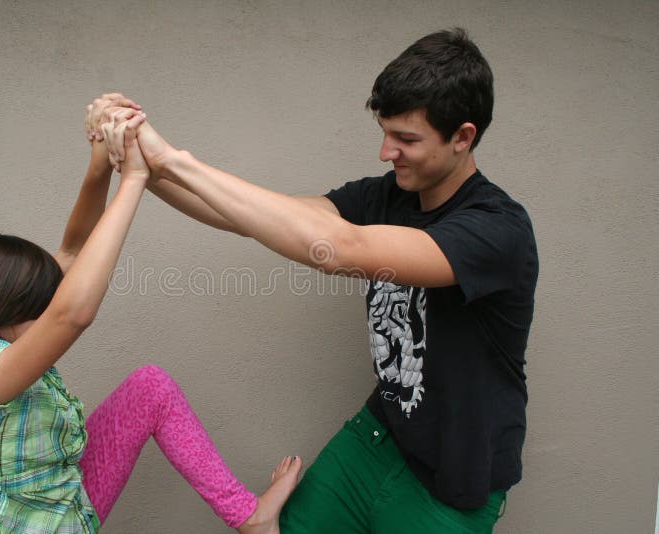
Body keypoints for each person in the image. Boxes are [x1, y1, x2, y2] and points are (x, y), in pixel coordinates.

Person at [95, 27, 538, 533]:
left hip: (456, 482)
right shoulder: (385, 197)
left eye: (406, 139)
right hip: (378, 437)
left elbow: (338, 249)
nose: (386, 152)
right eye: (385, 132)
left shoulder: (498, 229)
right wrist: (141, 164)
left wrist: (175, 159)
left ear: (463, 137)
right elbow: (246, 217)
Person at [0, 97, 302, 533]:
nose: (48, 305)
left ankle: (251, 519)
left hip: (67, 507)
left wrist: (102, 158)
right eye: (34, 304)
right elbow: (71, 314)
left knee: (149, 388)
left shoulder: (2, 339)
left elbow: (75, 251)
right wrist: (134, 179)